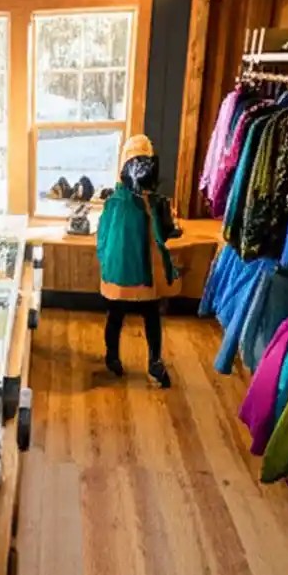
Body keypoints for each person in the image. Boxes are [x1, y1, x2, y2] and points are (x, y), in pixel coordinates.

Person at [96, 134, 182, 388]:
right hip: (134, 270)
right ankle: (138, 361)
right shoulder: (129, 202)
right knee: (139, 316)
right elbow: (162, 232)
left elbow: (104, 238)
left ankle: (127, 359)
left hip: (133, 271)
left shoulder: (124, 201)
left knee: (124, 315)